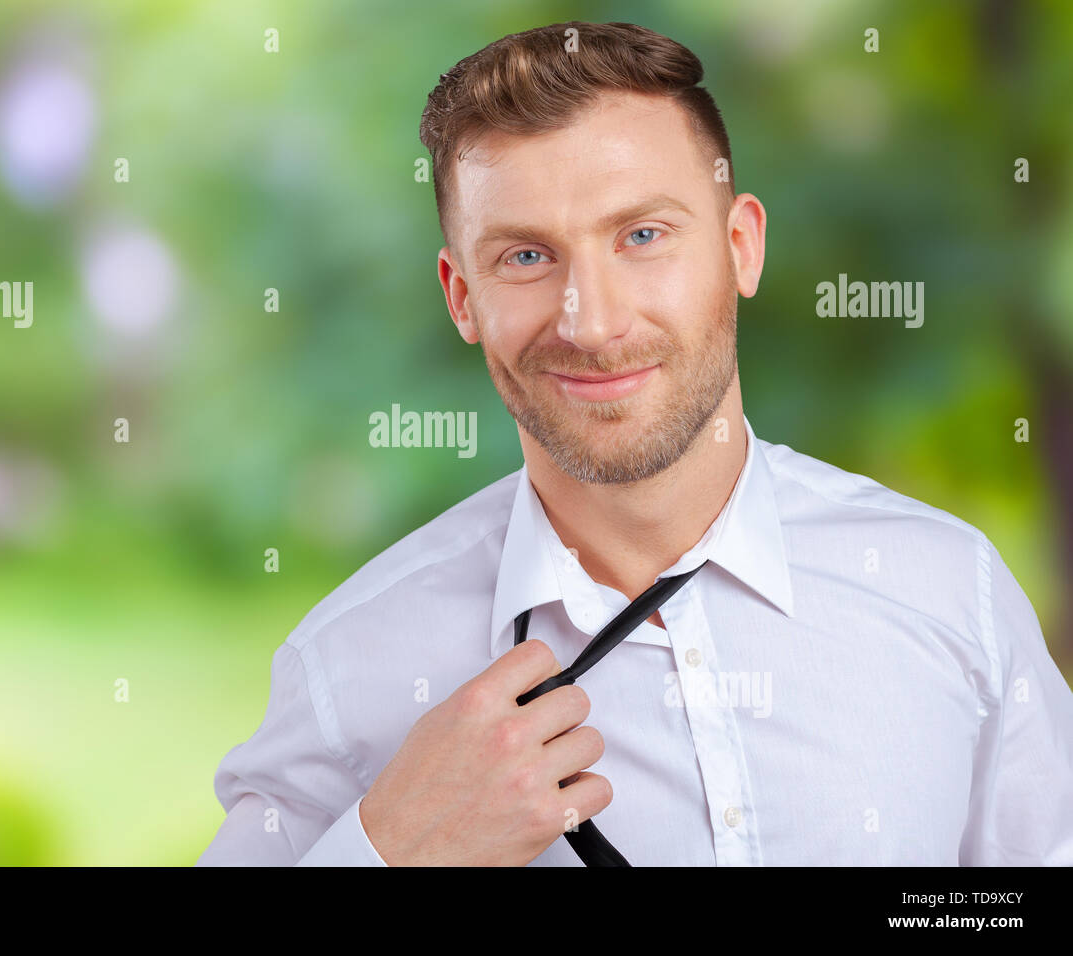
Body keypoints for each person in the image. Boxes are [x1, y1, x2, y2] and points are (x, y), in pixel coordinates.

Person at [196, 21, 1073, 866]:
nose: (595, 321)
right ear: (462, 297)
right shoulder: (350, 669)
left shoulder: (950, 594)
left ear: (740, 248)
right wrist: (392, 854)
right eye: (526, 258)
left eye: (643, 236)